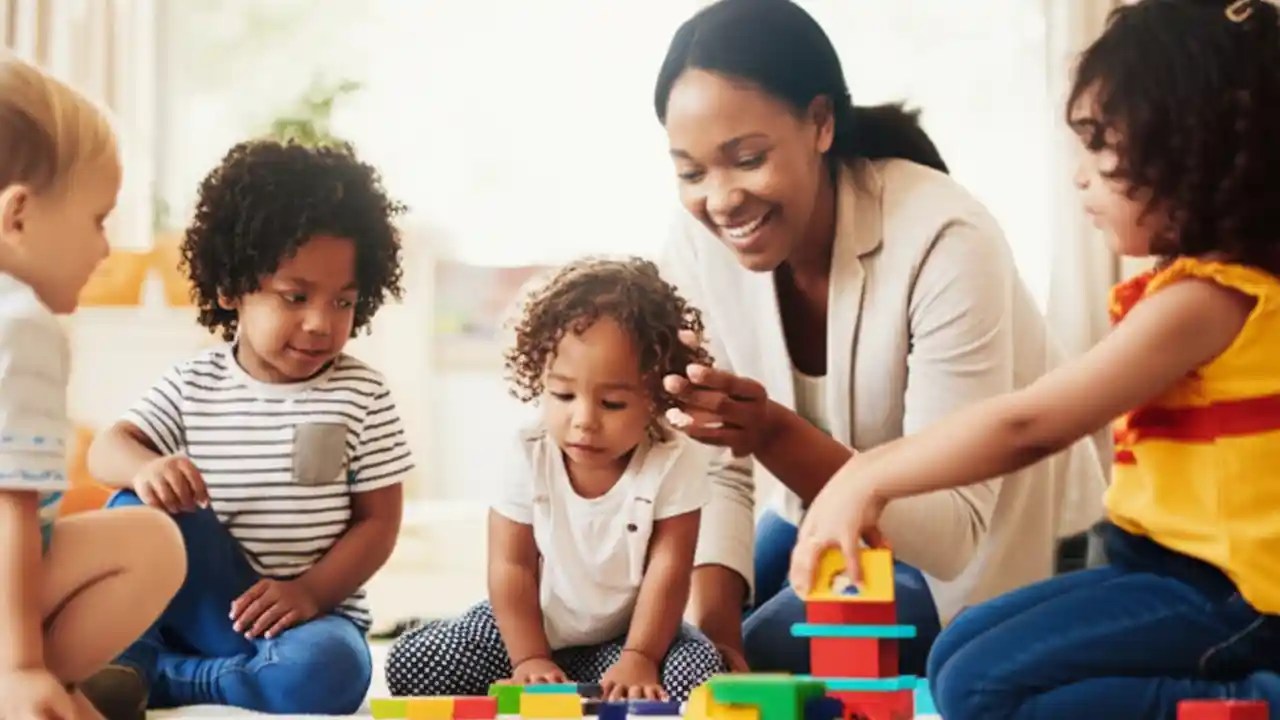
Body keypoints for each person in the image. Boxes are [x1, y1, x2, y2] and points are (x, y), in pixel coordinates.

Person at [791, 0, 1280, 717]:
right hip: (1164, 567)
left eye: (1102, 145)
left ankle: (1257, 699)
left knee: (979, 685)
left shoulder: (1208, 300)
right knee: (958, 654)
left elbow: (1032, 424)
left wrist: (866, 475)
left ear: (1193, 149)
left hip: (1231, 594)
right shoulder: (1191, 291)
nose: (1080, 175)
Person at [652, 0, 1108, 675]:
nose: (720, 200)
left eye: (746, 159)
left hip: (982, 544)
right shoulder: (697, 248)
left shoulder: (944, 238)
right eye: (692, 172)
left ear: (819, 123)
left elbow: (951, 534)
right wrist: (712, 632)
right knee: (669, 636)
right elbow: (720, 462)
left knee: (782, 648)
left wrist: (772, 432)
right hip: (822, 501)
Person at [85, 140, 415, 714]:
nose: (320, 323)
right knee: (132, 507)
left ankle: (168, 680)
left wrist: (311, 592)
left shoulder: (363, 394)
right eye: (295, 297)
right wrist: (149, 468)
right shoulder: (194, 383)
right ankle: (130, 660)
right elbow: (108, 449)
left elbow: (379, 522)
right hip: (202, 601)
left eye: (343, 302)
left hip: (306, 619)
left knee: (335, 669)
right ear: (230, 288)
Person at [386, 258, 726, 702]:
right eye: (563, 395)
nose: (583, 421)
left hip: (629, 637)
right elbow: (512, 566)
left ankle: (592, 678)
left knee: (699, 680)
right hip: (529, 627)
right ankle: (448, 632)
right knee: (412, 667)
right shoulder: (528, 452)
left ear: (656, 394)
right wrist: (528, 659)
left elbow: (670, 572)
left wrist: (640, 655)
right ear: (539, 379)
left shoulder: (671, 460)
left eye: (613, 403)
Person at [0, 54, 186, 720]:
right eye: (98, 220)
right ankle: (36, 682)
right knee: (152, 543)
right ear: (17, 216)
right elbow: (9, 508)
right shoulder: (20, 324)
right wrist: (18, 665)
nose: (106, 250)